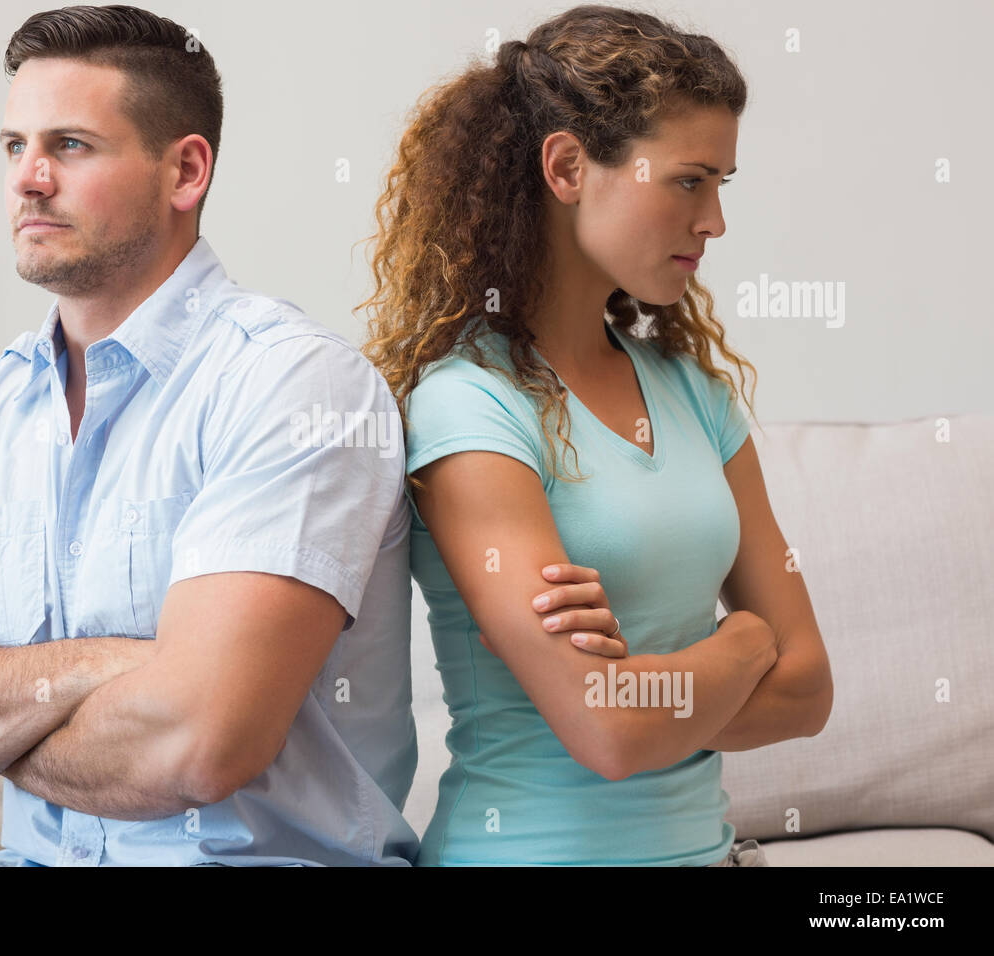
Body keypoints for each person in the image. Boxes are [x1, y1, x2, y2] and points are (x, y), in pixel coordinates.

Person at [0, 4, 418, 867]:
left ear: (185, 169)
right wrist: (110, 668)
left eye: (70, 146)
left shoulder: (294, 385)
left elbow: (198, 743)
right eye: (14, 146)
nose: (28, 179)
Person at [358, 4, 833, 866]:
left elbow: (809, 690)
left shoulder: (697, 396)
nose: (716, 220)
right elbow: (609, 731)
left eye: (723, 183)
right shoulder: (469, 407)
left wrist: (656, 694)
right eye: (690, 180)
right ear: (569, 166)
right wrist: (743, 642)